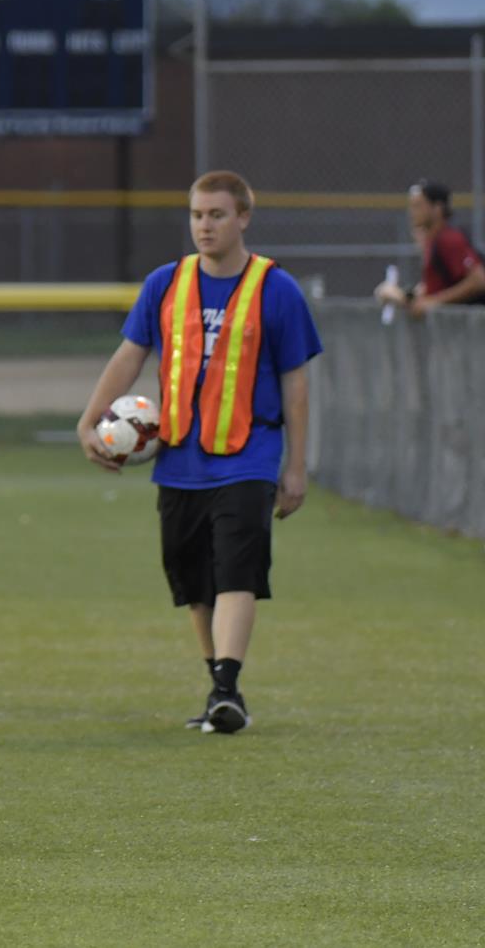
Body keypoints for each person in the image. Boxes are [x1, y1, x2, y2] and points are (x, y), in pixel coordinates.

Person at [76, 170, 323, 735]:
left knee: (237, 571)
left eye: (216, 215)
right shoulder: (166, 283)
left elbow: (296, 383)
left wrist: (296, 466)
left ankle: (226, 688)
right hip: (180, 461)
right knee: (194, 583)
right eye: (196, 215)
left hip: (249, 457)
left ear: (243, 218)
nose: (204, 226)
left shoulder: (276, 289)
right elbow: (129, 355)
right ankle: (219, 684)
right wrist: (90, 418)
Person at [374, 180, 485, 313]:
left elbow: (479, 281)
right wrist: (400, 296)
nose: (412, 212)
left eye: (418, 206)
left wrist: (433, 302)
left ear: (437, 208)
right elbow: (433, 291)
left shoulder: (449, 239)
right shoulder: (433, 243)